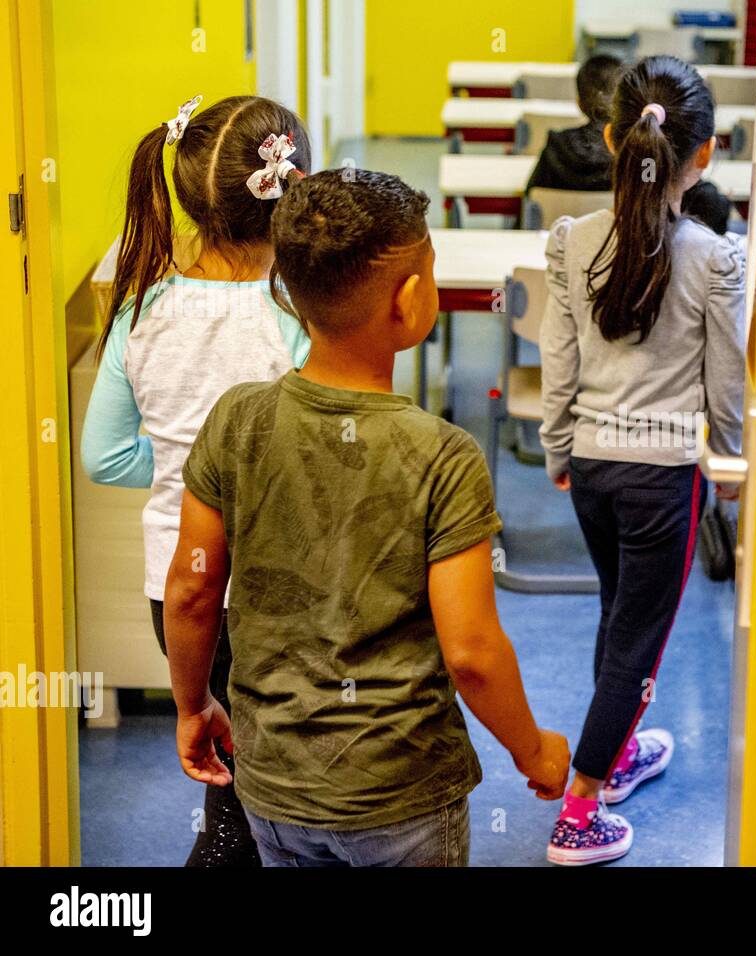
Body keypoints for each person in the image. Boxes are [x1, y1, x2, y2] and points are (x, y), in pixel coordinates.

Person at [162, 168, 570, 867]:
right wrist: (534, 749)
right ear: (411, 300)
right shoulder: (442, 456)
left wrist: (193, 706)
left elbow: (193, 591)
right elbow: (471, 651)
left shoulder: (236, 420)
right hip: (402, 793)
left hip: (274, 784)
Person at [81, 94, 314, 867]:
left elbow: (105, 455)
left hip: (176, 590)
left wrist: (191, 477)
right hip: (280, 588)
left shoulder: (139, 306)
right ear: (294, 187)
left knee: (231, 784)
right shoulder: (292, 318)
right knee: (263, 800)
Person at [539, 56, 746, 865]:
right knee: (639, 642)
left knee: (619, 615)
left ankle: (616, 756)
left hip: (590, 469)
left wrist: (558, 447)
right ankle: (580, 812)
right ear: (707, 153)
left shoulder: (571, 240)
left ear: (609, 137)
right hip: (664, 481)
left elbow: (561, 359)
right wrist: (726, 474)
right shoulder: (716, 259)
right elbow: (725, 386)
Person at [525, 54, 623, 193]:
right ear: (624, 103)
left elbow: (531, 198)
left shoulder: (555, 148)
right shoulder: (631, 155)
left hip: (557, 215)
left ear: (579, 104)